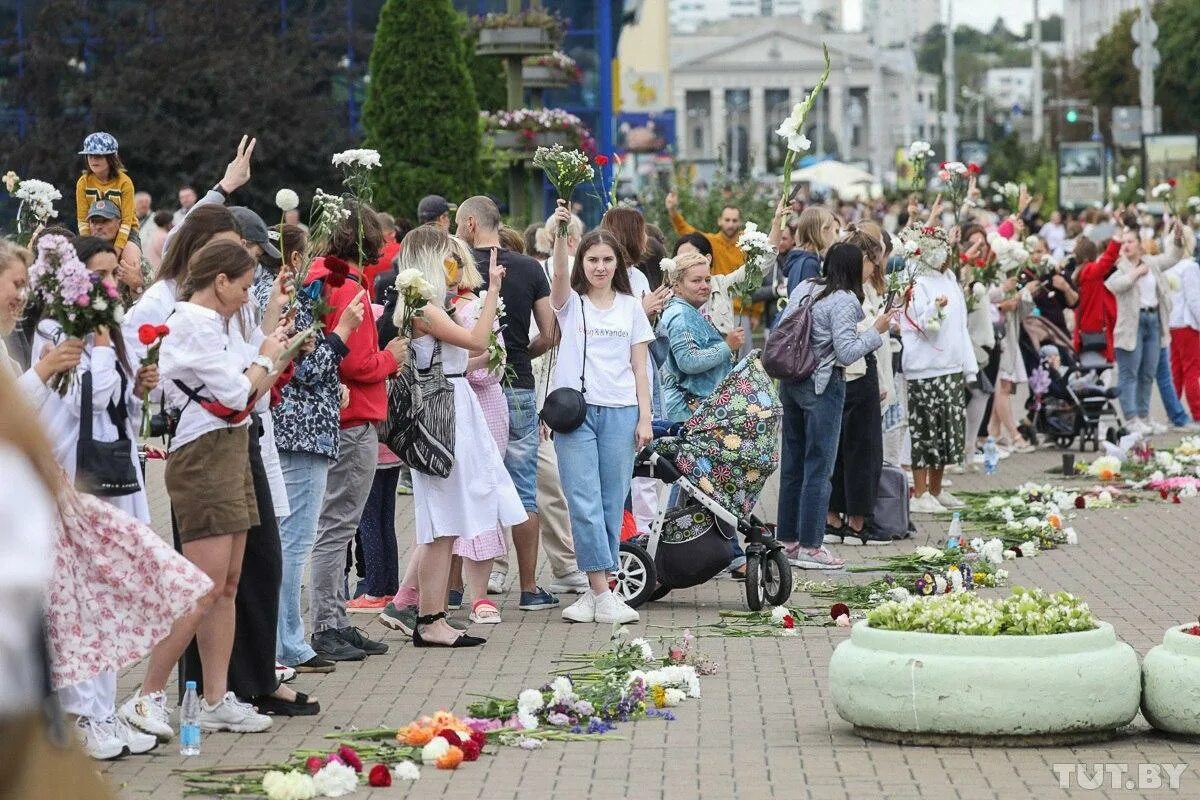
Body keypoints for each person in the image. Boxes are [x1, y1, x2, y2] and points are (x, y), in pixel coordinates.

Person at [119, 240, 296, 741]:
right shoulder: (192, 323)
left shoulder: (212, 323)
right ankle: (147, 695)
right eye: (242, 287)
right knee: (201, 586)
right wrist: (267, 355)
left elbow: (253, 371)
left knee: (228, 582)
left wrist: (272, 345)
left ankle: (217, 699)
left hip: (231, 448)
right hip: (204, 457)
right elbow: (240, 389)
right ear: (219, 281)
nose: (245, 297)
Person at [393, 226, 522, 646]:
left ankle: (434, 616)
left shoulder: (429, 306)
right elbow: (475, 339)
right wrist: (492, 295)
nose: (454, 267)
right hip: (443, 415)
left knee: (445, 524)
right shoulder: (424, 308)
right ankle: (430, 619)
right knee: (441, 522)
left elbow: (458, 360)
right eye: (448, 259)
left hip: (454, 404)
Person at [306, 202, 403, 661]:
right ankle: (326, 623)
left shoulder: (318, 279)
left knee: (336, 526)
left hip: (330, 415)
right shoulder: (349, 290)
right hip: (354, 416)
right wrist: (392, 358)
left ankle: (337, 619)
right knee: (338, 527)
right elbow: (354, 361)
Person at [548, 201, 654, 624]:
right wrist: (558, 235)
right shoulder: (570, 302)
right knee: (583, 500)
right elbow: (557, 277)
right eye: (592, 259)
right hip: (575, 414)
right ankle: (599, 590)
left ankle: (600, 592)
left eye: (607, 260)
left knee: (612, 502)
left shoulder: (631, 306)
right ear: (582, 262)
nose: (600, 266)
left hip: (621, 411)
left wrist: (645, 417)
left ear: (618, 264)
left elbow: (640, 367)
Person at [455, 195, 559, 610]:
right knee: (522, 490)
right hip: (515, 384)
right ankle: (530, 587)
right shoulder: (530, 267)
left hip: (465, 387)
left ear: (470, 225)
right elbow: (550, 333)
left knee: (462, 486)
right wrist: (518, 353)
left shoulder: (456, 265)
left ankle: (454, 589)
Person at [270, 224, 362, 673]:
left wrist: (334, 385)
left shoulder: (293, 301)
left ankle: (286, 637)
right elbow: (303, 365)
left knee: (295, 537)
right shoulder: (293, 304)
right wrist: (343, 331)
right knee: (295, 540)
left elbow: (312, 368)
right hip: (301, 431)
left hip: (303, 425)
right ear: (292, 261)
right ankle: (286, 640)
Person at [776, 242, 894, 569]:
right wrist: (876, 331)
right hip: (823, 385)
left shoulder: (805, 287)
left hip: (792, 380)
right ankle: (812, 547)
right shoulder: (842, 299)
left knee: (793, 464)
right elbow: (845, 352)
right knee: (819, 467)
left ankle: (787, 540)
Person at [656, 250, 746, 574]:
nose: (705, 286)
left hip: (696, 409)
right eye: (697, 281)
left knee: (694, 483)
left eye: (707, 279)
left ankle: (709, 552)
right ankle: (730, 555)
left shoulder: (687, 310)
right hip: (686, 411)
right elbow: (688, 362)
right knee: (704, 482)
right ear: (677, 284)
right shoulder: (680, 316)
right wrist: (727, 346)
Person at [900, 226, 978, 514]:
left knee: (947, 429)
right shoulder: (916, 282)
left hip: (950, 366)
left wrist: (968, 366)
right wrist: (935, 309)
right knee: (925, 429)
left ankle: (936, 488)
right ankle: (919, 492)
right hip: (925, 367)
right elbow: (925, 327)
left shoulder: (949, 279)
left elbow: (960, 326)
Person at [825, 227, 891, 546]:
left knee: (845, 448)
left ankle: (838, 515)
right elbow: (849, 340)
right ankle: (856, 520)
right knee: (862, 449)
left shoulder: (845, 291)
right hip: (855, 370)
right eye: (872, 263)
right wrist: (876, 328)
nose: (874, 270)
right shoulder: (848, 296)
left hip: (853, 372)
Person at [1106, 219, 1183, 434]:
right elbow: (1113, 285)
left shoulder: (1151, 262)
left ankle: (1144, 416)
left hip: (1154, 321)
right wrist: (1134, 275)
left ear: (1140, 244)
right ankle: (1130, 419)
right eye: (1124, 242)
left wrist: (1177, 238)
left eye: (1131, 241)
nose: (1127, 245)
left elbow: (1173, 257)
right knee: (1129, 373)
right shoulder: (1121, 268)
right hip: (1132, 325)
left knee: (1148, 373)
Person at [75, 132, 137, 256]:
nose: (93, 160)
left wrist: (116, 252)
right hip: (94, 232)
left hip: (126, 232)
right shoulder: (83, 182)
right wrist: (88, 247)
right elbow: (82, 220)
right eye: (89, 155)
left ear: (111, 158)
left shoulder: (125, 182)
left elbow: (126, 221)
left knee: (129, 260)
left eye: (98, 156)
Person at [664, 191, 745, 277]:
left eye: (734, 220)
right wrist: (672, 210)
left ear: (740, 222)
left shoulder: (748, 245)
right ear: (719, 221)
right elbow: (684, 229)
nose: (730, 224)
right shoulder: (711, 241)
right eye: (727, 220)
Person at [82, 199, 148, 303]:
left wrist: (137, 286)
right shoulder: (83, 258)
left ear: (120, 223)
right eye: (94, 222)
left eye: (105, 220)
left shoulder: (132, 261)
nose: (98, 226)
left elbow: (150, 308)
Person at [1167, 229, 1200, 423]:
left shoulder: (1170, 265)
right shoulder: (1190, 267)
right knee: (1192, 369)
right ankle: (1197, 410)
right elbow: (1195, 300)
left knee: (1176, 369)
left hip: (1173, 322)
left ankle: (1174, 409)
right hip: (1187, 323)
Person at [783, 206, 839, 295]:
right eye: (832, 230)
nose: (835, 236)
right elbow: (809, 303)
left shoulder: (803, 258)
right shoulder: (809, 264)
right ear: (822, 231)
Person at [363, 211, 401, 292]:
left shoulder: (363, 253)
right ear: (393, 233)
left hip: (369, 301)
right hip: (395, 300)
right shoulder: (402, 250)